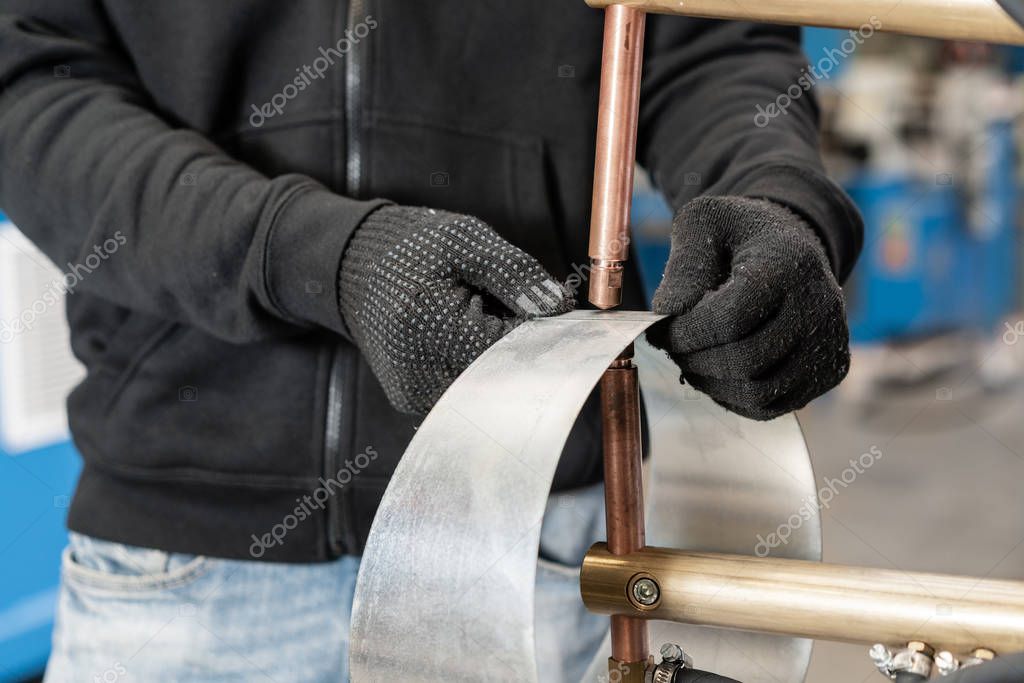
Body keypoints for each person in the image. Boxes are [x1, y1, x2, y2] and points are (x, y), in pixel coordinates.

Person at [0, 1, 867, 681]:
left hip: (536, 542)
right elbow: (28, 75)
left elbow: (707, 42)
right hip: (183, 559)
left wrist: (776, 201)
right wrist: (311, 255)